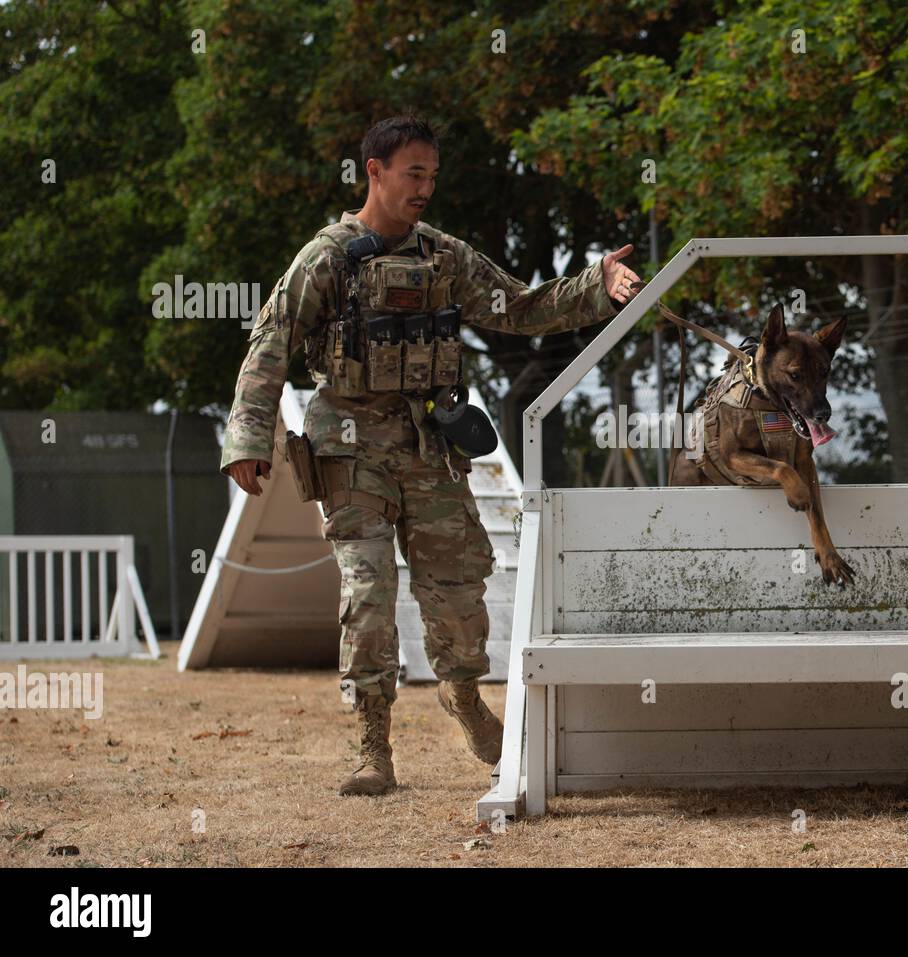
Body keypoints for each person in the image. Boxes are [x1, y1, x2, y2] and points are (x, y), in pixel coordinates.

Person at [219, 115, 640, 796]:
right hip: (350, 449)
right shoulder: (326, 257)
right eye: (413, 173)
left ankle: (463, 695)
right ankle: (372, 745)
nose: (425, 187)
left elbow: (521, 307)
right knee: (369, 591)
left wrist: (600, 283)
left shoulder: (445, 256)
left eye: (433, 175)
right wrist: (247, 438)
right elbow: (269, 343)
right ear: (374, 171)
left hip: (429, 445)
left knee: (459, 593)